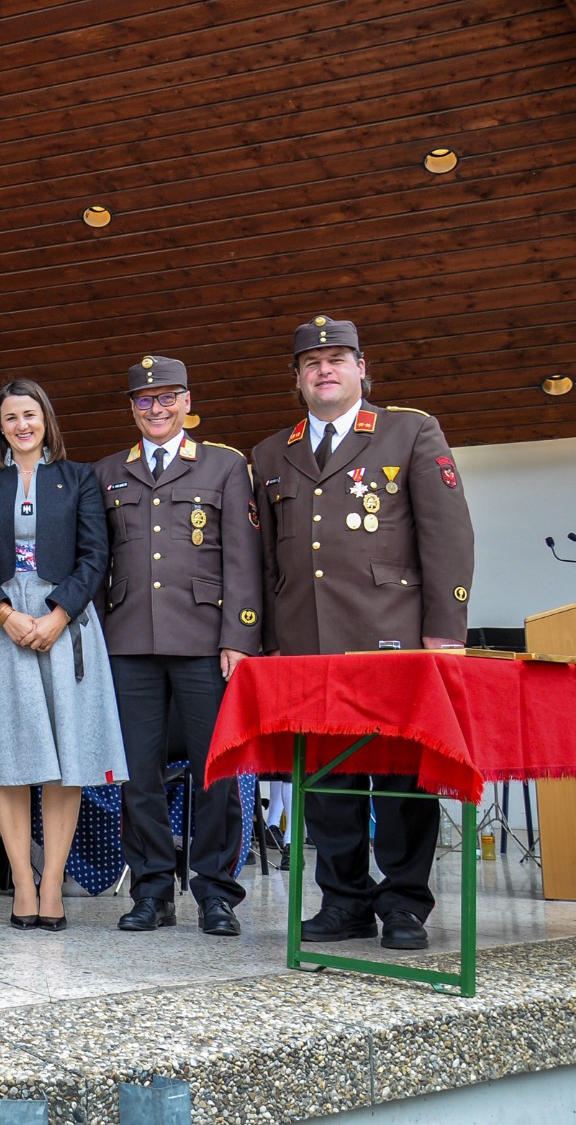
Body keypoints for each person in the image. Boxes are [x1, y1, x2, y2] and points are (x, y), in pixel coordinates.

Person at [251, 315, 474, 950]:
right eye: (312, 361)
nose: (325, 369)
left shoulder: (410, 431)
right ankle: (344, 901)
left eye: (337, 358)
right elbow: (266, 561)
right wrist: (266, 640)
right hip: (304, 644)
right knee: (326, 783)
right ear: (297, 378)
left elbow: (448, 536)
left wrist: (444, 628)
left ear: (360, 368)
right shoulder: (271, 454)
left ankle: (404, 904)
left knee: (401, 779)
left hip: (391, 638)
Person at [93, 355, 262, 937]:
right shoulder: (108, 471)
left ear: (187, 403)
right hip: (130, 641)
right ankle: (151, 892)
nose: (156, 409)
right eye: (145, 400)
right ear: (132, 409)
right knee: (138, 775)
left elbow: (244, 558)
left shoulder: (223, 466)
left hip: (203, 641)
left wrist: (240, 636)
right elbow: (99, 561)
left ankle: (216, 894)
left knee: (215, 771)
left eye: (167, 398)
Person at [0, 378, 122, 931]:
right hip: (1, 626)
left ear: (46, 419)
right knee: (10, 760)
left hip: (64, 622)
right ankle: (22, 885)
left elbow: (96, 557)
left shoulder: (79, 479)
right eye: (10, 418)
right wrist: (5, 615)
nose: (21, 425)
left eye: (30, 414)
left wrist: (57, 615)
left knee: (62, 764)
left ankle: (53, 885)